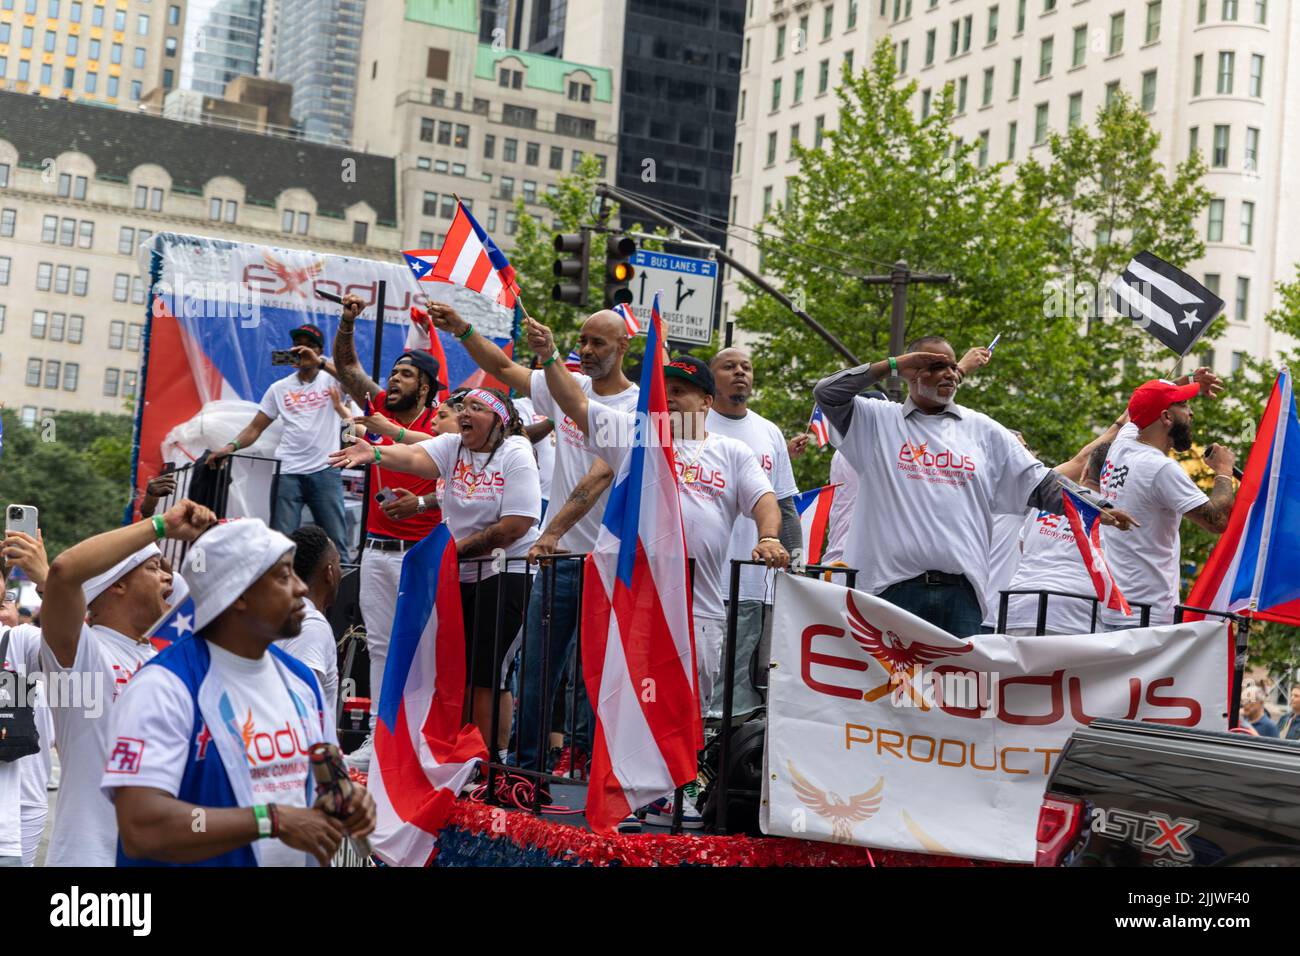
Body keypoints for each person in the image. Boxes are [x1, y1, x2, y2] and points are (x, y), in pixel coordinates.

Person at [526, 316, 786, 826]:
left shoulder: (732, 452)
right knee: (630, 700)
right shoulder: (637, 436)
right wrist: (553, 354)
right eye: (664, 390)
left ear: (706, 402)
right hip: (642, 599)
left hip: (701, 605)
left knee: (687, 706)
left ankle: (673, 791)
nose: (670, 399)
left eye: (682, 392)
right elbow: (577, 406)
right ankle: (629, 794)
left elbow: (764, 500)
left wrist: (769, 536)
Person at [425, 302, 639, 784]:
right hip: (557, 561)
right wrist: (462, 326)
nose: (586, 350)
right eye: (581, 341)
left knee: (594, 676)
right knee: (538, 670)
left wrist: (554, 529)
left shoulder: (636, 408)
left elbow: (600, 474)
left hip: (607, 560)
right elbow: (500, 367)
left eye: (597, 342)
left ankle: (587, 773)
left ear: (625, 346)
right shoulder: (569, 386)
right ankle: (523, 771)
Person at [812, 337, 1136, 637]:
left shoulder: (984, 430)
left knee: (956, 695)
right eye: (936, 366)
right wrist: (894, 364)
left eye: (953, 366)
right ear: (912, 371)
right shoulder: (877, 421)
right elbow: (827, 392)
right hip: (888, 590)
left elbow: (1041, 483)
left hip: (962, 596)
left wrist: (1096, 508)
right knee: (891, 693)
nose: (950, 373)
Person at [103, 518, 375, 866]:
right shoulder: (163, 687)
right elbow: (142, 828)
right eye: (282, 576)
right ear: (239, 594)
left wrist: (348, 797)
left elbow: (326, 768)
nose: (301, 589)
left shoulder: (301, 681)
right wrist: (270, 820)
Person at [330, 387, 541, 753]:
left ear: (499, 421)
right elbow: (413, 456)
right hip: (459, 572)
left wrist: (449, 553)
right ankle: (460, 754)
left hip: (505, 570)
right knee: (454, 669)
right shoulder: (454, 446)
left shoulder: (516, 454)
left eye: (477, 408)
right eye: (463, 407)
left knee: (488, 673)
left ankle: (493, 764)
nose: (465, 413)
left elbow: (514, 527)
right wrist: (376, 452)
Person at [38, 500, 215, 866]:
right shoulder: (84, 655)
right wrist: (161, 524)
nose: (168, 579)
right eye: (154, 569)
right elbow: (64, 571)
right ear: (117, 586)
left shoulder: (163, 660)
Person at [328, 294, 445, 770]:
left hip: (425, 552)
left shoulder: (442, 420)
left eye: (405, 375)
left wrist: (386, 437)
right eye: (393, 374)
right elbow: (348, 366)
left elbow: (453, 466)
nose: (393, 381)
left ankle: (418, 739)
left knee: (423, 648)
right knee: (379, 644)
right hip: (377, 551)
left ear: (426, 388)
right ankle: (378, 737)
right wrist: (348, 322)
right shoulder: (381, 408)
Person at [705, 347, 801, 718]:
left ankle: (728, 755)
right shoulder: (695, 425)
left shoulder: (768, 431)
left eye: (746, 367)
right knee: (705, 673)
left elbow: (786, 504)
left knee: (743, 680)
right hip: (706, 577)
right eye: (729, 367)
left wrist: (795, 563)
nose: (740, 372)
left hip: (752, 583)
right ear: (711, 379)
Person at [1098, 371, 1235, 629]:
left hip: (1115, 607)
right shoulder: (1160, 469)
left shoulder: (1122, 445)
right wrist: (1224, 471)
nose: (1191, 412)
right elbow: (1217, 520)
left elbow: (1137, 405)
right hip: (1147, 617)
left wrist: (1188, 380)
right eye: (1183, 405)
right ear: (1166, 417)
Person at [207, 323, 350, 555]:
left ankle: (341, 589)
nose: (300, 350)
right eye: (296, 345)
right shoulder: (279, 388)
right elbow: (255, 428)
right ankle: (284, 589)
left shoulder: (331, 381)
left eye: (307, 346)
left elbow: (354, 381)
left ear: (318, 350)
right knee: (281, 542)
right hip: (288, 472)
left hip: (325, 469)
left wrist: (321, 363)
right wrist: (230, 447)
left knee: (336, 541)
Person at [1002, 417, 1129, 635]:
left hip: (1019, 604)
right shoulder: (1117, 518)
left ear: (1086, 472)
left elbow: (1023, 548)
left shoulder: (1040, 502)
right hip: (1076, 615)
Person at [1, 531, 54, 867]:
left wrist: (47, 580)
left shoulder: (17, 644)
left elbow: (69, 644)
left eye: (6, 600)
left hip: (18, 814)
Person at [281, 526, 341, 719]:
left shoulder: (279, 613)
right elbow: (301, 706)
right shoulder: (311, 626)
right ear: (329, 573)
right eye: (339, 563)